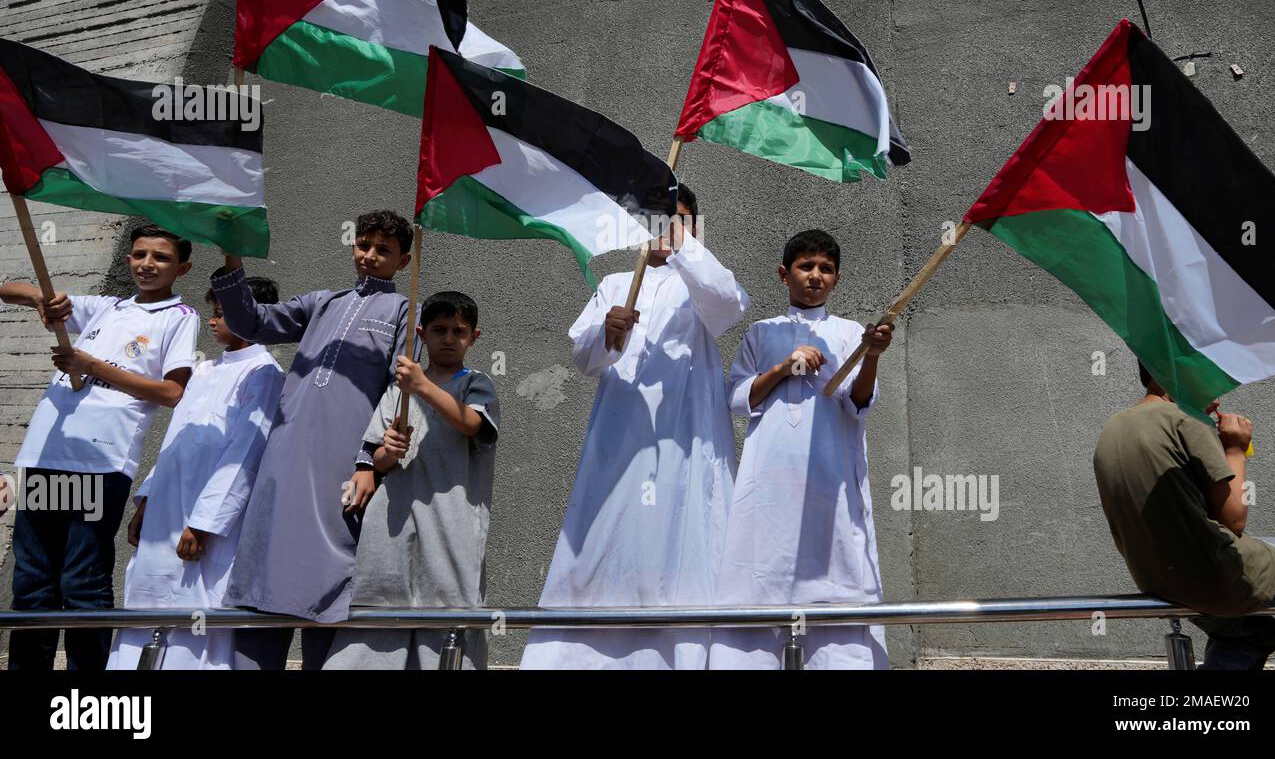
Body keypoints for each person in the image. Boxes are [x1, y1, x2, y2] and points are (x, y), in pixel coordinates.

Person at [521, 184, 749, 669]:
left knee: (683, 545)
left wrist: (683, 244)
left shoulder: (702, 282)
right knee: (606, 540)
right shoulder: (615, 284)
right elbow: (584, 359)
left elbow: (728, 305)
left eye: (678, 219)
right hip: (618, 443)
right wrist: (608, 332)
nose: (666, 229)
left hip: (684, 441)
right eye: (656, 220)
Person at [210, 210, 411, 669]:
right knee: (267, 566)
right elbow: (251, 322)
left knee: (332, 574)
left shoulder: (404, 311)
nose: (370, 256)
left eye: (384, 249)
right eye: (364, 245)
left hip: (345, 465)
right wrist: (232, 255)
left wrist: (367, 462)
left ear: (403, 261)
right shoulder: (324, 301)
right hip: (284, 455)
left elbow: (400, 394)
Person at [2, 224, 198, 670]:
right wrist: (40, 299)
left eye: (161, 258)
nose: (147, 264)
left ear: (182, 268)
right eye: (139, 254)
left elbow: (171, 392)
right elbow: (7, 289)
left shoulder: (178, 317)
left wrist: (91, 365)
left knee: (82, 582)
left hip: (99, 463)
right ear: (128, 259)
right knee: (33, 582)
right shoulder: (103, 307)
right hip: (44, 458)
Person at [709, 229, 893, 670]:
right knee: (760, 575)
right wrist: (783, 368)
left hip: (831, 484)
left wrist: (871, 357)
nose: (815, 277)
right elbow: (738, 399)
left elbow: (860, 403)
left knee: (836, 583)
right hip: (768, 483)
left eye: (825, 269)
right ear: (783, 274)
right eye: (805, 267)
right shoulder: (760, 332)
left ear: (837, 278)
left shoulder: (850, 333)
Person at [107, 277, 285, 669]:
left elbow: (246, 456)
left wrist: (205, 523)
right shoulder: (203, 372)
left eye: (223, 314)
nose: (212, 322)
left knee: (196, 617)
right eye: (214, 312)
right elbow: (174, 440)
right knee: (144, 602)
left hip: (205, 527)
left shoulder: (265, 374)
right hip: (164, 514)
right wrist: (146, 501)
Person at [324, 291, 500, 670]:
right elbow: (378, 461)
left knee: (449, 602)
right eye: (439, 330)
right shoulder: (396, 390)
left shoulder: (476, 383)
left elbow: (473, 424)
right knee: (382, 599)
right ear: (421, 334)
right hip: (394, 519)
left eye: (459, 331)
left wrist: (422, 386)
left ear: (474, 337)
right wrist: (389, 449)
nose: (449, 339)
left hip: (451, 520)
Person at [1094, 363, 1275, 669]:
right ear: (1175, 375)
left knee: (1248, 633)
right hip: (1216, 577)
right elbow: (1234, 520)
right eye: (1208, 382)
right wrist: (1235, 449)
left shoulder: (1113, 429)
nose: (1216, 398)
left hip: (1158, 580)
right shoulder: (1186, 420)